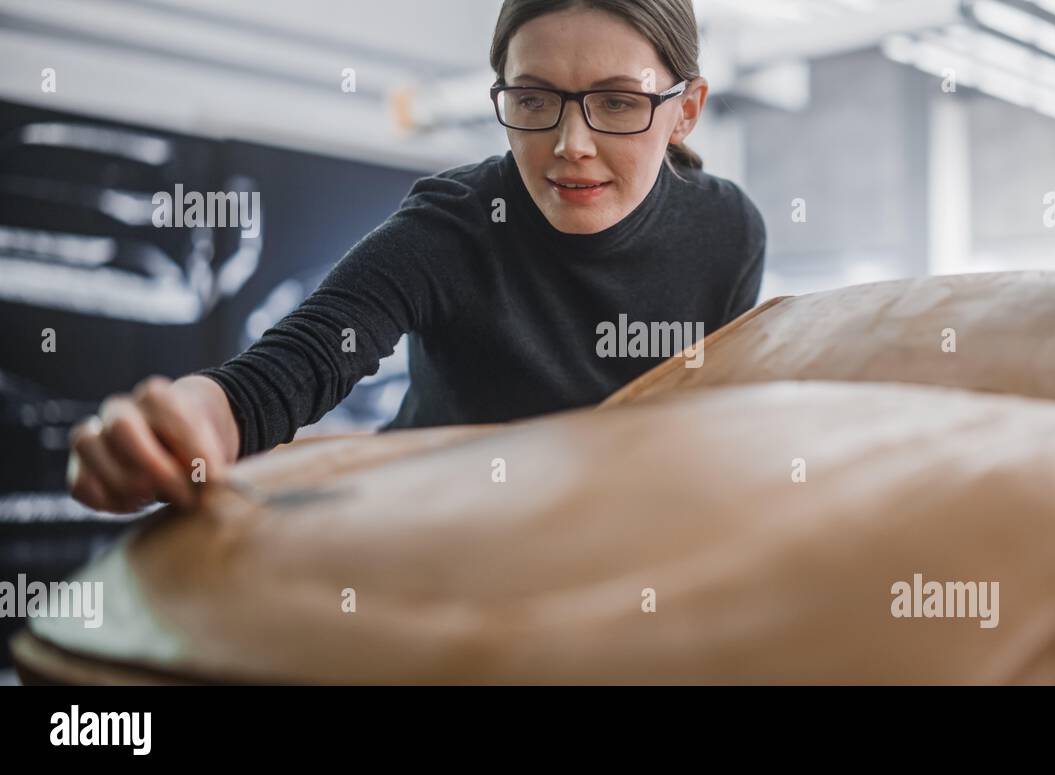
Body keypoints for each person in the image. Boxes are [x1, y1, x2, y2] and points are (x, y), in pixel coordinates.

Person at [66, 0, 766, 513]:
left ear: (686, 110)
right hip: (435, 524)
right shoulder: (454, 225)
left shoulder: (728, 230)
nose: (570, 144)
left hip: (608, 533)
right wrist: (182, 425)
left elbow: (705, 421)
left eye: (617, 103)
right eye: (533, 98)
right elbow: (288, 369)